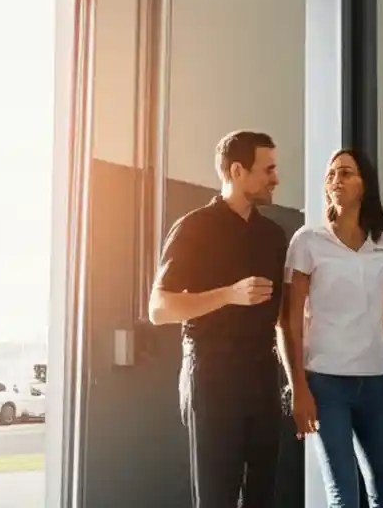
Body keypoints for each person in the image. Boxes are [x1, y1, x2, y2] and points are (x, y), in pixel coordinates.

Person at [149, 130, 288, 508]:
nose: (276, 178)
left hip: (263, 376)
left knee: (263, 494)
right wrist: (229, 294)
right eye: (268, 169)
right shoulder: (194, 227)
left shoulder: (274, 236)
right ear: (238, 170)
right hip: (212, 375)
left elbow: (284, 319)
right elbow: (159, 308)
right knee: (216, 496)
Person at [281, 148, 383, 508]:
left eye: (347, 173)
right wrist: (298, 389)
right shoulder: (308, 241)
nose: (336, 180)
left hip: (376, 386)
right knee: (344, 497)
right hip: (325, 384)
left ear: (364, 185)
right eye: (332, 174)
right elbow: (290, 321)